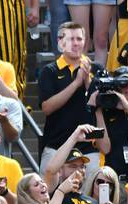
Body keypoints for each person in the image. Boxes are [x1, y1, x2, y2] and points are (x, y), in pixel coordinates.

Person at [39, 22, 97, 176]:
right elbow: (47, 108)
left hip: (89, 147)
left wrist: (87, 82)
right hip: (56, 145)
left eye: (79, 39)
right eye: (71, 39)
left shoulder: (96, 69)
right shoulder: (49, 71)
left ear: (85, 41)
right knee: (46, 190)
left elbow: (99, 105)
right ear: (60, 42)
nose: (76, 43)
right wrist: (76, 83)